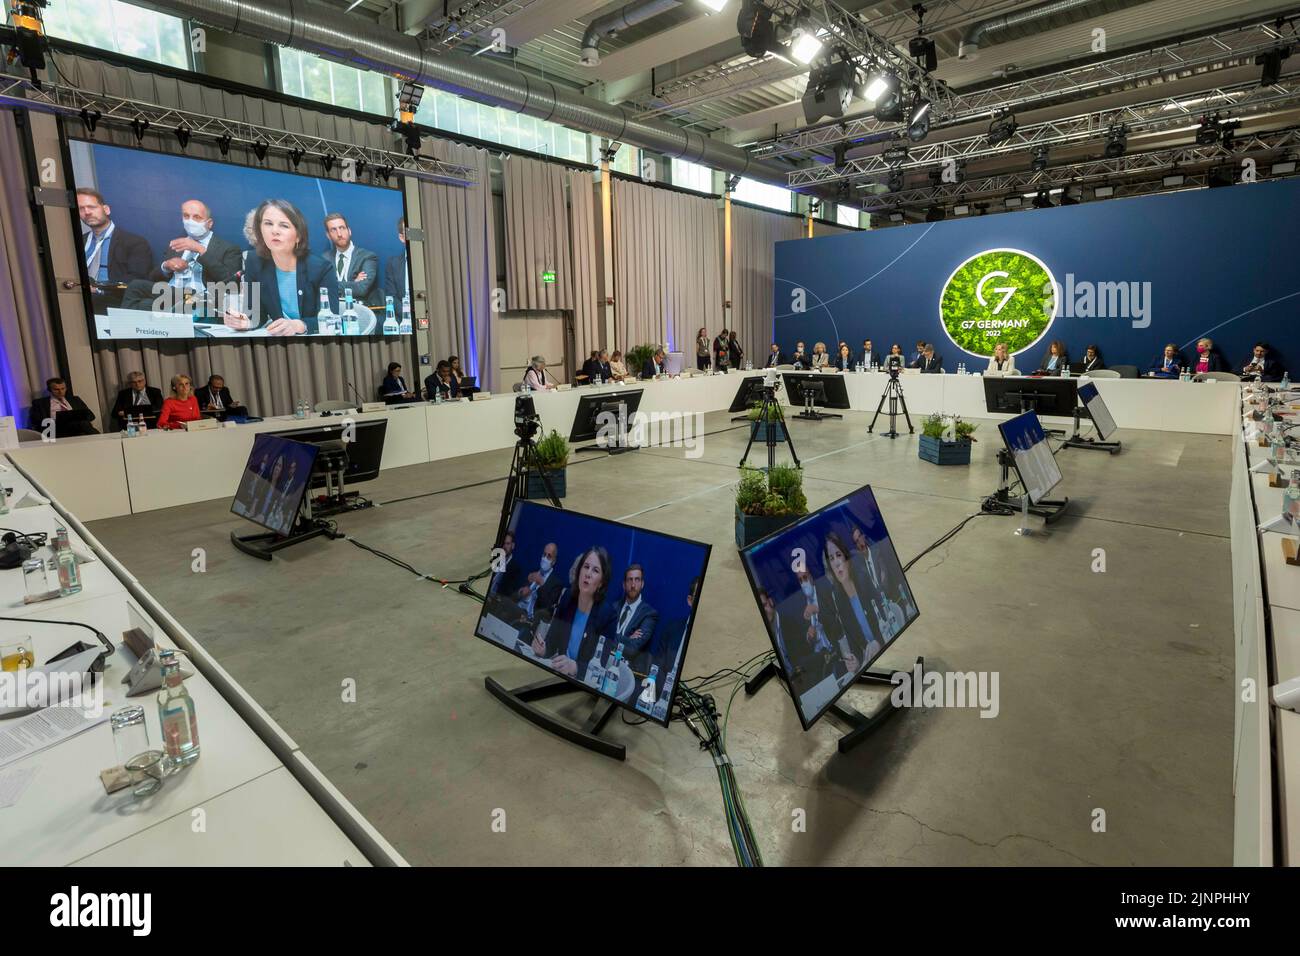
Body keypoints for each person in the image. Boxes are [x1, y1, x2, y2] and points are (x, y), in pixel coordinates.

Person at [222, 199, 338, 335]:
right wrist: (246, 322)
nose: (274, 231)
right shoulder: (254, 262)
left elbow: (332, 318)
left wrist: (300, 325)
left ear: (298, 236)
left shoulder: (321, 268)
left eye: (284, 225)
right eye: (268, 223)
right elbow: (255, 314)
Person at [531, 546, 617, 683]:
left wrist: (576, 667)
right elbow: (551, 644)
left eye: (595, 570)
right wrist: (543, 649)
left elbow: (600, 667)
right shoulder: (567, 599)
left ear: (601, 582)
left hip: (582, 684)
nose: (588, 573)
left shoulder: (608, 616)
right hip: (557, 675)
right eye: (586, 567)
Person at [820, 531, 880, 667]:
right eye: (831, 559)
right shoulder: (840, 601)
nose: (836, 563)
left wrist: (878, 641)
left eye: (838, 555)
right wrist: (856, 661)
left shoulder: (863, 580)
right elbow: (856, 645)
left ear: (847, 558)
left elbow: (887, 614)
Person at [75, 187, 151, 286]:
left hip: (112, 296)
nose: (87, 212)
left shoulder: (135, 243)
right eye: (81, 209)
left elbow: (136, 279)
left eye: (92, 207)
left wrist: (100, 289)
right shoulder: (76, 242)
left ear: (106, 210)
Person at [321, 212, 380, 307]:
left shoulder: (367, 256)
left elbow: (362, 289)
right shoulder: (324, 259)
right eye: (334, 230)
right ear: (328, 235)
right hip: (332, 311)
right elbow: (322, 288)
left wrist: (332, 285)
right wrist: (352, 283)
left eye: (342, 228)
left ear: (349, 231)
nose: (339, 234)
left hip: (359, 312)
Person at [607, 564, 658, 665]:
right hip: (604, 659)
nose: (633, 585)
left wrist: (613, 638)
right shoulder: (613, 607)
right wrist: (627, 639)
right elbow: (601, 636)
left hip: (626, 667)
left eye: (637, 580)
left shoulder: (649, 614)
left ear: (642, 584)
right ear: (624, 584)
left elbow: (633, 649)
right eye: (630, 580)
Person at [29, 377, 97, 437]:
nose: (60, 392)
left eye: (63, 388)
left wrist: (79, 417)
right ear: (49, 390)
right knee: (83, 424)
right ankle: (99, 438)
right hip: (55, 429)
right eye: (56, 389)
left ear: (66, 388)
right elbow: (36, 421)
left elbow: (91, 416)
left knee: (82, 424)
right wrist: (55, 421)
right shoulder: (40, 403)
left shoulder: (75, 400)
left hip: (77, 427)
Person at [515, 542, 565, 622]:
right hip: (518, 609)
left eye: (549, 556)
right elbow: (516, 594)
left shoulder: (556, 584)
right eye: (544, 554)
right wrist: (521, 592)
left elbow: (547, 609)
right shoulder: (534, 571)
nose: (544, 558)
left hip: (531, 618)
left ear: (554, 561)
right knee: (504, 603)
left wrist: (541, 584)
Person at [384, 216, 410, 304]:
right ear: (401, 237)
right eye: (408, 232)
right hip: (403, 315)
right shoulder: (393, 264)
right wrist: (408, 314)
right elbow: (392, 297)